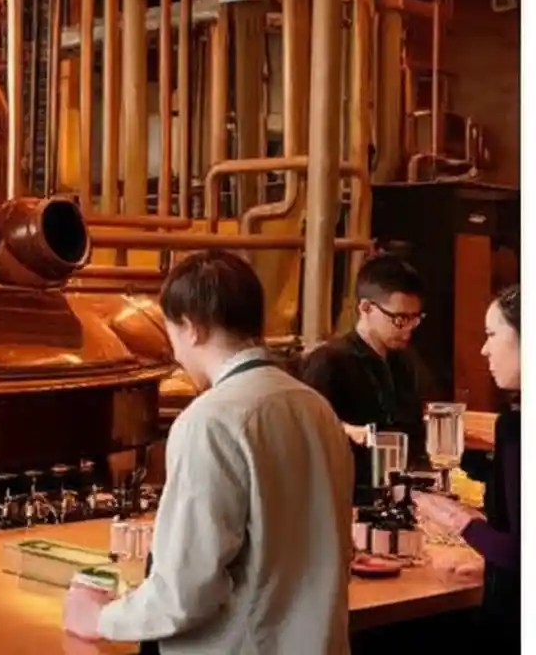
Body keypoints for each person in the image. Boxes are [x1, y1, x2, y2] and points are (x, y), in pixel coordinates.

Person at [62, 249, 354, 654]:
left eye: (171, 332)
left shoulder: (210, 421)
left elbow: (187, 589)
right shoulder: (317, 407)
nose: (176, 351)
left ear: (192, 328)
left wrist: (102, 619)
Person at [412, 284, 519, 650]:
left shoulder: (518, 428)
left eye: (492, 335)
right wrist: (490, 566)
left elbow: (519, 554)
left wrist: (458, 519)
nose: (484, 349)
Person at [299, 253, 432, 495]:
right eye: (400, 319)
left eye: (416, 319)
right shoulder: (328, 361)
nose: (409, 329)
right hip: (348, 498)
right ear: (366, 308)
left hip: (402, 493)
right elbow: (306, 434)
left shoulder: (406, 361)